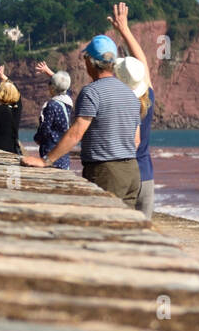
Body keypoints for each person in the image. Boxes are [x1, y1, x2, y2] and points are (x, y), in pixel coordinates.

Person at [21, 35, 142, 207]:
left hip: (105, 171)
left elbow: (76, 133)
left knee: (101, 226)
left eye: (86, 58)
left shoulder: (91, 92)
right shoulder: (130, 94)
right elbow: (136, 140)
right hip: (132, 171)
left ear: (90, 62)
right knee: (124, 228)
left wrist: (45, 161)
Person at [109, 2, 156, 220]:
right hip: (146, 177)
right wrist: (125, 30)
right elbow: (143, 64)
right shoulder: (148, 95)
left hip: (123, 177)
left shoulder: (118, 102)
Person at [32, 62, 74, 168]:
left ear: (52, 88)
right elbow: (64, 86)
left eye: (50, 83)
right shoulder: (67, 101)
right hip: (63, 149)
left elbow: (45, 128)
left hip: (51, 151)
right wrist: (48, 71)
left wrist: (37, 138)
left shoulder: (51, 105)